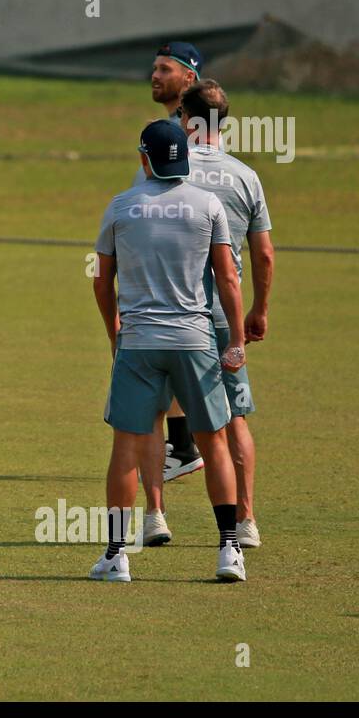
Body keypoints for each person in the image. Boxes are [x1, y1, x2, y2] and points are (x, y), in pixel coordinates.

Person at [90, 119, 247, 582]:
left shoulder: (121, 206)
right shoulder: (207, 204)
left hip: (139, 342)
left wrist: (115, 333)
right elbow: (228, 278)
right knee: (213, 440)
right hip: (195, 340)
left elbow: (102, 281)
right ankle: (229, 550)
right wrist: (235, 340)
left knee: (126, 445)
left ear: (145, 158)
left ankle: (117, 556)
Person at [138, 81, 273, 546]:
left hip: (170, 311)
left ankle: (155, 514)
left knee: (154, 412)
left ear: (185, 119)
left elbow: (143, 232)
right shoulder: (245, 176)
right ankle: (246, 522)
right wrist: (258, 310)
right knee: (233, 417)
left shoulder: (168, 169)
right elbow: (264, 254)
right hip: (224, 315)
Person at [147, 41, 209, 482]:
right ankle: (183, 445)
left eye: (165, 69)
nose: (155, 75)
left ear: (190, 77)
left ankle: (186, 448)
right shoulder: (174, 125)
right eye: (153, 68)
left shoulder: (186, 132)